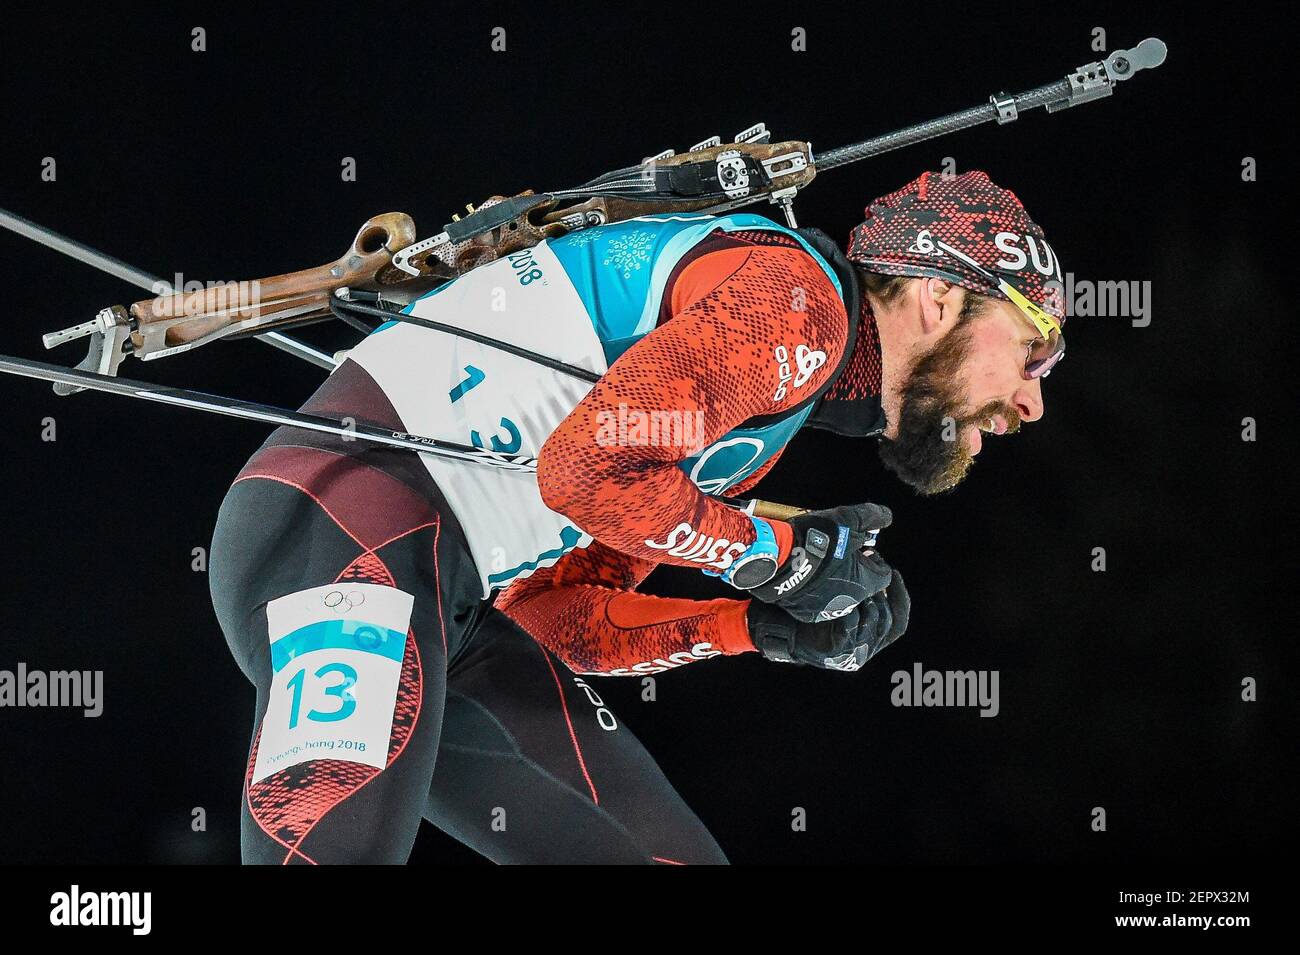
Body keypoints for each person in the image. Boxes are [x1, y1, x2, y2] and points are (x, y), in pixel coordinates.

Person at [209, 169, 1065, 864]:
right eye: (1035, 349)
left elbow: (567, 619)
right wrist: (778, 555)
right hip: (348, 525)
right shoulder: (795, 305)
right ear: (940, 299)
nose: (1031, 402)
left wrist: (756, 626)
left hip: (448, 601)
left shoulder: (769, 407)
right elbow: (586, 469)